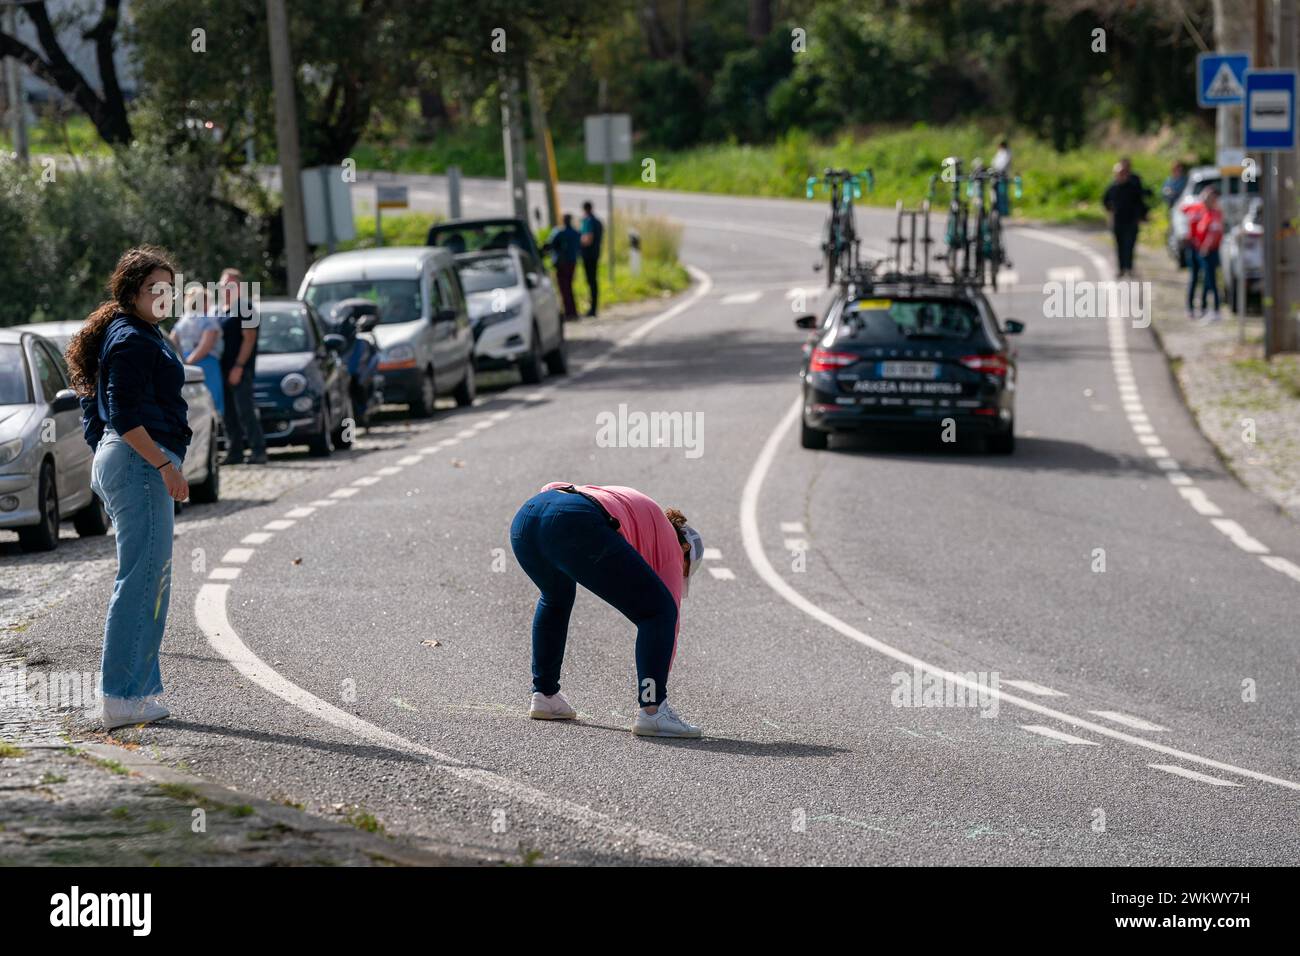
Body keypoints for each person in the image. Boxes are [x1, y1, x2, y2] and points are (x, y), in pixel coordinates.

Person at [65, 246, 191, 731]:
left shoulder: (134, 332)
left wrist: (110, 451)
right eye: (154, 289)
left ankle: (134, 693)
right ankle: (119, 697)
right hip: (142, 463)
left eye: (169, 289)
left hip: (130, 461)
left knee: (147, 580)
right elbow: (122, 415)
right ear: (131, 292)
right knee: (142, 581)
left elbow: (96, 411)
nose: (163, 297)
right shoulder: (133, 340)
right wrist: (163, 464)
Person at [509, 482, 704, 738]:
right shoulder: (671, 545)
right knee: (658, 612)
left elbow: (551, 488)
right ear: (686, 549)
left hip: (528, 517)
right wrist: (657, 674)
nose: (679, 574)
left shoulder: (645, 518)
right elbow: (670, 619)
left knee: (555, 597)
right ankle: (653, 712)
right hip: (574, 520)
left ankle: (545, 695)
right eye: (684, 571)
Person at [216, 268, 266, 464]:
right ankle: (235, 451)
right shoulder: (222, 310)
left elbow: (249, 338)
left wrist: (238, 366)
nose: (225, 289)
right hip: (223, 369)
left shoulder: (246, 308)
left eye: (230, 285)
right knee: (228, 413)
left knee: (245, 411)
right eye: (223, 285)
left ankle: (258, 450)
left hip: (240, 369)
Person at [170, 285, 224, 416]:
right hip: (206, 365)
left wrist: (183, 361)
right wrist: (190, 361)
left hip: (185, 364)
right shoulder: (208, 320)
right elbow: (206, 344)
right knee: (211, 402)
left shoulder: (183, 320)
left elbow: (172, 340)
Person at [1102, 157, 1149, 277]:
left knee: (1130, 245)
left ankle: (1129, 267)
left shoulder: (1133, 186)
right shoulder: (1112, 188)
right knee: (1120, 246)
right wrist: (1110, 212)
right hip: (1118, 221)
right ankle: (1121, 268)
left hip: (1131, 221)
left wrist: (1141, 216)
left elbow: (1140, 202)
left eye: (1124, 173)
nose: (1122, 175)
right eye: (1119, 173)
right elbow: (1105, 201)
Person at [1188, 186, 1224, 323]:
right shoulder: (1205, 213)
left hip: (1209, 252)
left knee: (1212, 282)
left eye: (1208, 198)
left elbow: (1214, 234)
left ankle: (1216, 311)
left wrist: (1205, 247)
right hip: (1203, 250)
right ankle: (1206, 309)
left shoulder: (1214, 214)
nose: (1204, 201)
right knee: (1207, 281)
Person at [548, 214, 582, 320]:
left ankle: (569, 312)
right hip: (572, 263)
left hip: (561, 264)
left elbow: (550, 245)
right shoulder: (576, 233)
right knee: (569, 287)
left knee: (564, 288)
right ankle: (572, 311)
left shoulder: (558, 232)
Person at [580, 201, 604, 317]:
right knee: (593, 281)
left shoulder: (588, 221)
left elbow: (587, 239)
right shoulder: (598, 222)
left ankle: (593, 309)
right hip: (595, 254)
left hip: (588, 255)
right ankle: (593, 307)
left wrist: (578, 242)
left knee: (591, 281)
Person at [991, 139, 1012, 216]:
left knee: (1002, 193)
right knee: (996, 193)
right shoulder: (1000, 153)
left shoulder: (1007, 153)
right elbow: (994, 163)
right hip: (996, 175)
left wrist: (997, 170)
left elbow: (1003, 165)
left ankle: (1003, 211)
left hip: (1003, 176)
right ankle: (998, 209)